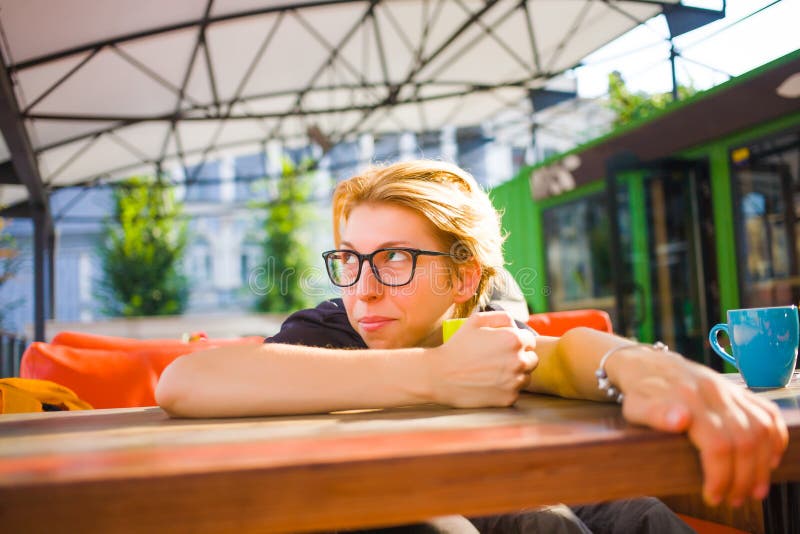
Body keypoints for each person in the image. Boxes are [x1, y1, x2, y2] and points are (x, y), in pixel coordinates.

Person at [156, 160, 788, 533]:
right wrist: (434, 374)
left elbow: (553, 357)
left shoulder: (487, 311)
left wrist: (636, 360)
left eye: (395, 259)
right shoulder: (331, 330)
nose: (364, 289)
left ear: (462, 278)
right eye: (350, 260)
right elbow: (184, 381)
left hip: (512, 470)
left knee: (644, 516)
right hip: (392, 500)